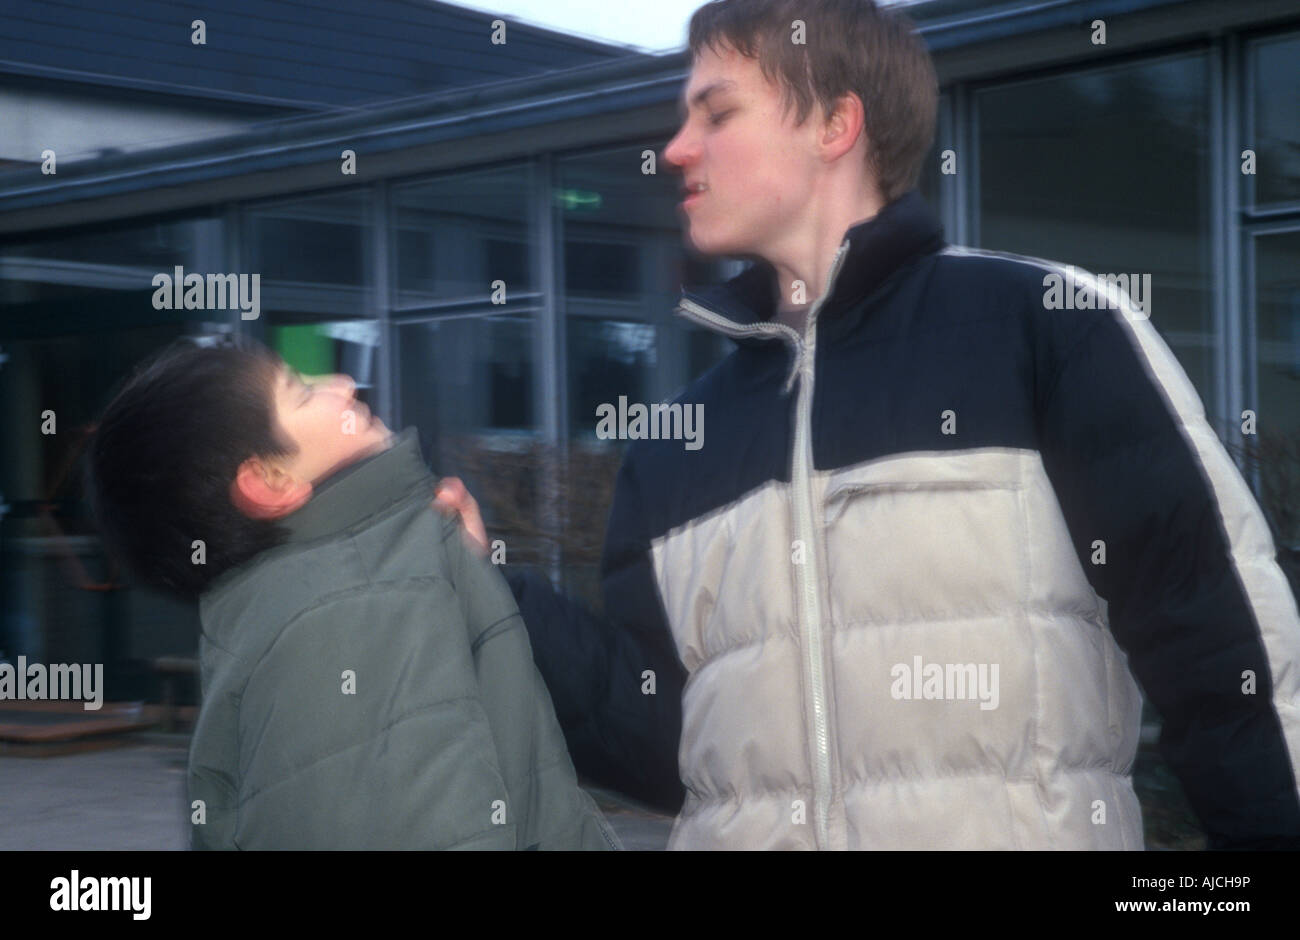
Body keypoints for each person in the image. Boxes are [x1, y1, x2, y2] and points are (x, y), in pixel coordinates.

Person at [495, 0, 1300, 849]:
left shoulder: (1046, 329)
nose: (676, 148)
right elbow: (672, 754)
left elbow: (1232, 672)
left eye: (718, 112)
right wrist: (491, 593)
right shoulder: (677, 440)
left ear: (836, 123)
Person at [82, 337, 621, 850]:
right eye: (302, 392)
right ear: (270, 481)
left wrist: (466, 577)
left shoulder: (305, 594)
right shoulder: (355, 613)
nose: (343, 384)